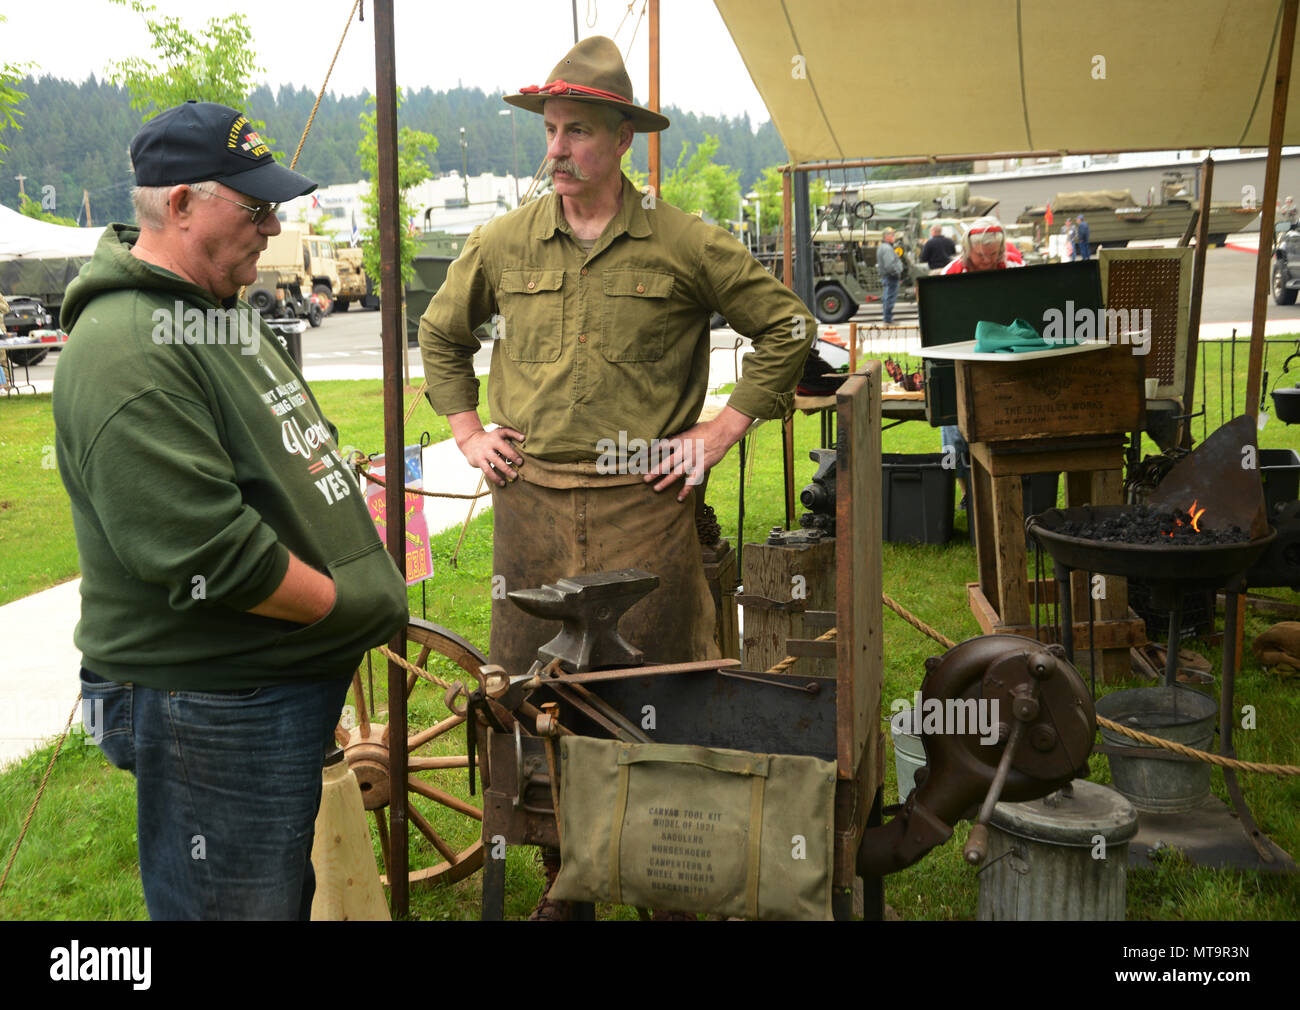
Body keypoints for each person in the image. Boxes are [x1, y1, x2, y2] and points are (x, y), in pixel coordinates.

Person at [418, 36, 815, 919]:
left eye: (577, 133)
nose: (555, 150)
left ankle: (666, 876)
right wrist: (467, 431)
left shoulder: (683, 242)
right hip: (531, 510)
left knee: (661, 691)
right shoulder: (504, 239)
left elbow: (787, 328)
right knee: (531, 697)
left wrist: (721, 428)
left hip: (648, 511)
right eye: (550, 131)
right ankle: (568, 875)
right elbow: (441, 335)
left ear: (622, 140)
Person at [53, 100, 409, 920]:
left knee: (271, 896)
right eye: (255, 209)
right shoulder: (127, 348)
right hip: (212, 705)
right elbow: (206, 552)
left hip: (255, 689)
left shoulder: (211, 313)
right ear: (179, 204)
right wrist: (343, 608)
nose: (272, 226)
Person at [938, 218, 1024, 508]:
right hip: (959, 359)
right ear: (967, 250)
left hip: (1001, 359)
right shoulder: (951, 273)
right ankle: (965, 492)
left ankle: (1005, 485)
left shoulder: (1014, 271)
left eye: (993, 254)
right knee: (953, 428)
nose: (987, 260)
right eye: (980, 255)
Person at [876, 226, 904, 323]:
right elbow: (889, 266)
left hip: (888, 276)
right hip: (891, 277)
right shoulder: (887, 249)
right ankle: (888, 319)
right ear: (886, 237)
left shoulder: (884, 247)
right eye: (892, 235)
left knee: (887, 297)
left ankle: (887, 318)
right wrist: (897, 274)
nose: (894, 237)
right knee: (890, 298)